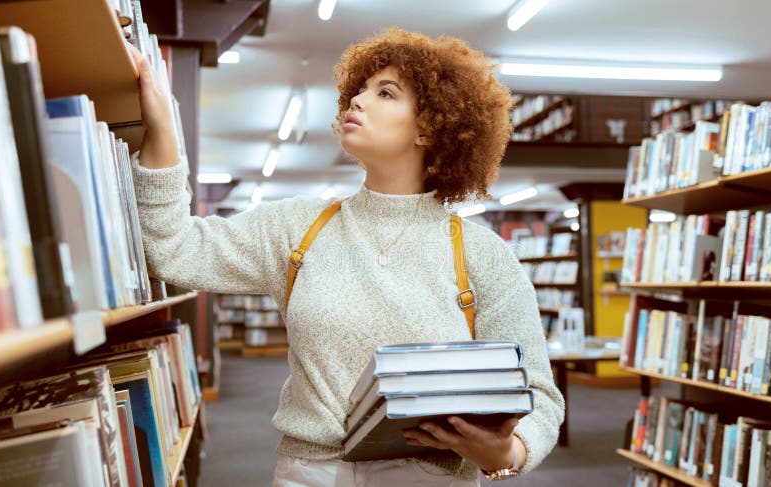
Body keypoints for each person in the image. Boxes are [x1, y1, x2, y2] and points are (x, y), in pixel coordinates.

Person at [130, 26, 564, 485]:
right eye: (358, 90)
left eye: (386, 93)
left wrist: (507, 452)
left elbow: (539, 394)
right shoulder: (297, 228)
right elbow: (171, 249)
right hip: (308, 473)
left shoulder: (482, 255)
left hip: (431, 476)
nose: (357, 101)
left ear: (430, 127)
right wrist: (162, 128)